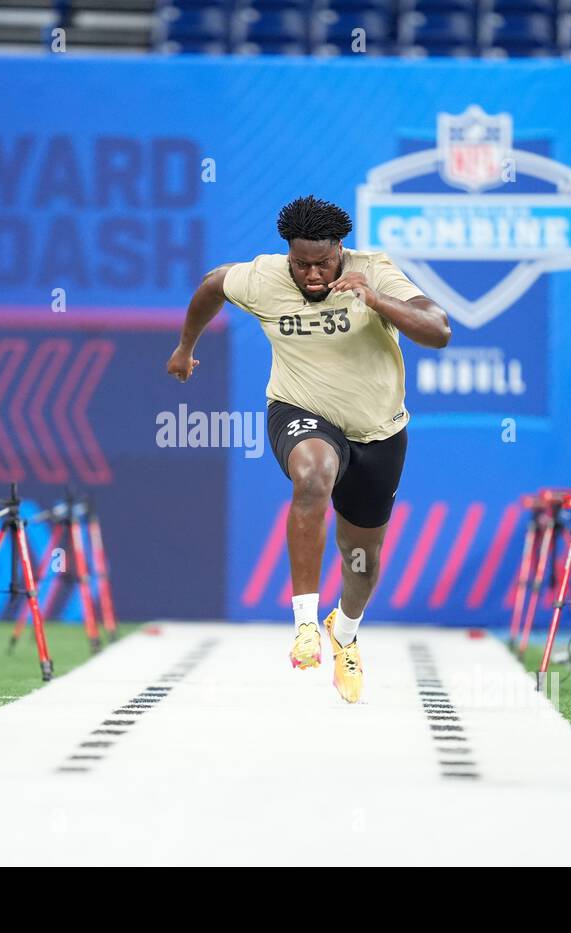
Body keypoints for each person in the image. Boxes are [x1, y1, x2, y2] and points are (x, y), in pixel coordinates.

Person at [165, 195, 450, 702]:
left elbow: (439, 330)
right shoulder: (263, 277)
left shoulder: (373, 270)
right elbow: (212, 284)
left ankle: (344, 631)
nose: (314, 275)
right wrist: (186, 347)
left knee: (362, 559)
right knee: (313, 473)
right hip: (300, 410)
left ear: (341, 249)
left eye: (323, 263)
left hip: (378, 430)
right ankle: (304, 624)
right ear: (288, 255)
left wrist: (377, 302)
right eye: (302, 264)